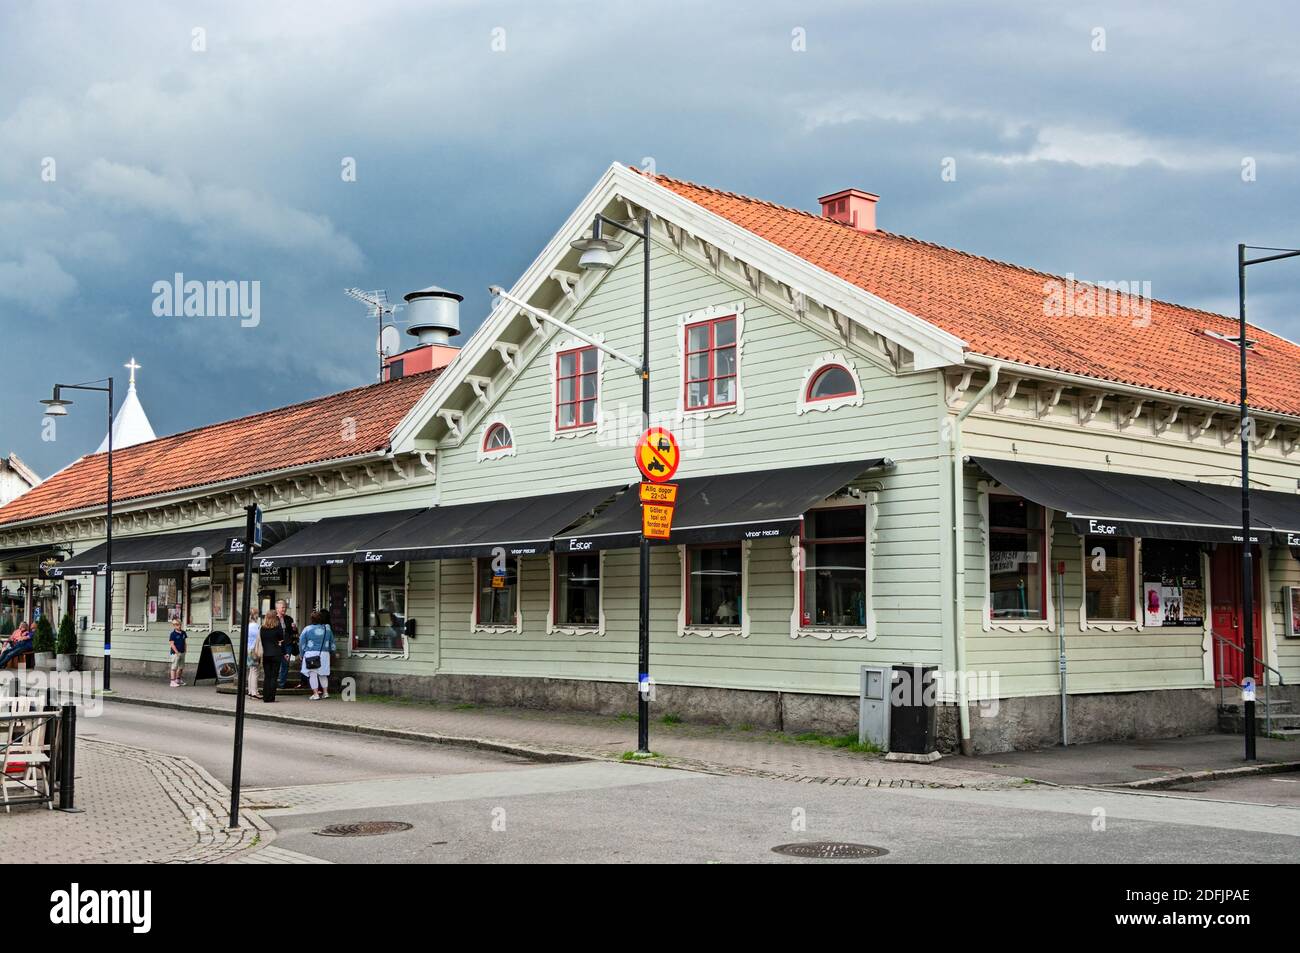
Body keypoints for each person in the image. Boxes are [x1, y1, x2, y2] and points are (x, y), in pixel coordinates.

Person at [299, 610, 336, 700]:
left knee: (313, 674)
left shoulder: (307, 629)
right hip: (324, 654)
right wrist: (333, 653)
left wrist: (301, 653)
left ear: (311, 619)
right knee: (323, 674)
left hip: (311, 654)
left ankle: (316, 694)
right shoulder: (327, 629)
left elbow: (301, 642)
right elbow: (332, 642)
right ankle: (326, 693)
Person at [258, 610, 283, 703]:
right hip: (276, 654)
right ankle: (271, 697)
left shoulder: (262, 628)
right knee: (274, 676)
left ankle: (265, 697)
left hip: (266, 655)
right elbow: (281, 638)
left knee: (267, 676)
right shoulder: (277, 627)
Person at [275, 599, 299, 689]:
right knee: (277, 663)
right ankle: (274, 682)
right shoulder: (273, 619)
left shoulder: (289, 619)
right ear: (277, 608)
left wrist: (294, 628)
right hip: (277, 645)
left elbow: (294, 632)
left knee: (285, 663)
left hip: (287, 644)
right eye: (282, 607)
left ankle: (282, 683)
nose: (284, 609)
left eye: (285, 607)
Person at [245, 608, 262, 698]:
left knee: (251, 671)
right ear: (256, 615)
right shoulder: (256, 626)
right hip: (254, 650)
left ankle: (250, 691)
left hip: (248, 650)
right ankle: (255, 692)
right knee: (255, 671)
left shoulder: (247, 626)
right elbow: (259, 639)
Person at [167, 618, 187, 687]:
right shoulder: (173, 634)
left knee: (181, 667)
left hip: (182, 652)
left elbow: (184, 642)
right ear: (174, 626)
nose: (179, 626)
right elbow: (172, 644)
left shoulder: (183, 633)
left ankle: (178, 680)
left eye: (179, 624)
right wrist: (177, 652)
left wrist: (185, 649)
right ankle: (172, 681)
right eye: (177, 625)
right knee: (174, 667)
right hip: (175, 653)